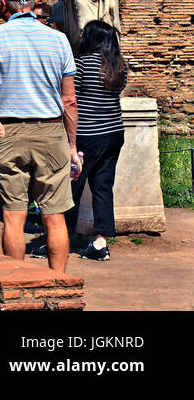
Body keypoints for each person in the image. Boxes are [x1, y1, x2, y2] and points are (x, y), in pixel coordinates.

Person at [0, 0, 78, 273]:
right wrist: (71, 144)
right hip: (51, 130)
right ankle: (58, 284)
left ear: (5, 3)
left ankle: (16, 287)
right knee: (54, 216)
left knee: (13, 215)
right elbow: (69, 100)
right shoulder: (58, 39)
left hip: (9, 131)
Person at [62, 19, 127, 261]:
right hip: (114, 133)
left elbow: (71, 99)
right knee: (102, 187)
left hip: (87, 135)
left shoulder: (81, 63)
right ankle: (101, 243)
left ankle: (62, 240)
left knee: (72, 187)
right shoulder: (119, 66)